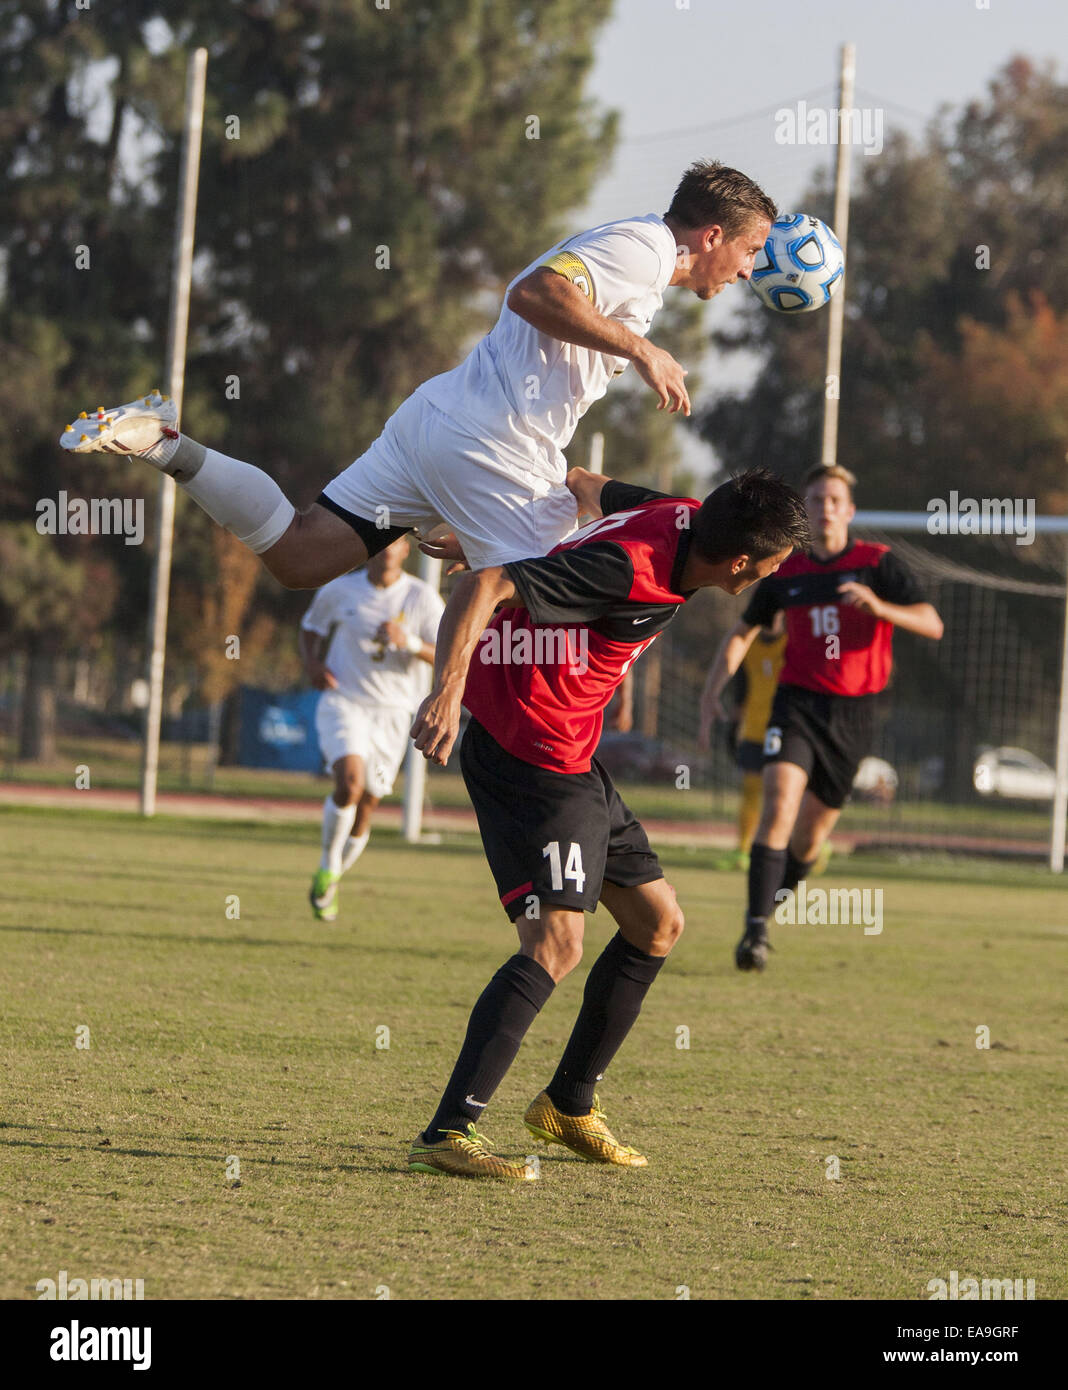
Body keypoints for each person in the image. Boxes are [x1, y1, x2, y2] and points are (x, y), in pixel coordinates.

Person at [58, 161, 775, 579]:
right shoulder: (647, 248)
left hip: (443, 423)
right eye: (748, 252)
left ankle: (163, 443)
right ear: (711, 235)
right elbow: (531, 294)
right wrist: (642, 349)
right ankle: (539, 794)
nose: (749, 270)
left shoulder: (643, 259)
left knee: (300, 555)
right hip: (490, 442)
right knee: (553, 596)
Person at [404, 465, 809, 1180]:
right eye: (776, 563)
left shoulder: (685, 516)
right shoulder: (629, 571)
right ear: (742, 564)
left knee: (657, 923)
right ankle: (449, 1130)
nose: (779, 574)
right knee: (556, 943)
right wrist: (446, 690)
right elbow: (485, 587)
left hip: (572, 754)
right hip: (530, 751)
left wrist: (505, 531)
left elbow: (583, 483)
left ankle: (568, 1103)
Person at [699, 464, 943, 972]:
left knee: (810, 838)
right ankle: (755, 930)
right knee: (779, 803)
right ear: (805, 511)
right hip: (797, 705)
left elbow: (932, 623)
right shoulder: (787, 570)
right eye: (815, 499)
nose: (825, 507)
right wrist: (713, 690)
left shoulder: (877, 564)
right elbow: (743, 631)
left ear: (849, 511)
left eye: (834, 499)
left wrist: (880, 607)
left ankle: (774, 901)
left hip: (856, 714)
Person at [299, 536, 443, 922]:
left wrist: (408, 641)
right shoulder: (340, 589)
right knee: (349, 782)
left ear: (405, 550)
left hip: (395, 713)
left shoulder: (421, 597)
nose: (385, 549)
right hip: (344, 701)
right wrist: (312, 663)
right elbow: (310, 628)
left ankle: (331, 879)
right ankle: (329, 863)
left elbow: (447, 649)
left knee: (367, 807)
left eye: (393, 542)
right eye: (379, 541)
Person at [700, 612, 787, 871]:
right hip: (753, 729)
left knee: (782, 794)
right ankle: (743, 850)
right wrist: (732, 727)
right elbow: (742, 688)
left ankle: (791, 845)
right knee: (750, 790)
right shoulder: (749, 645)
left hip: (784, 729)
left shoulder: (791, 644)